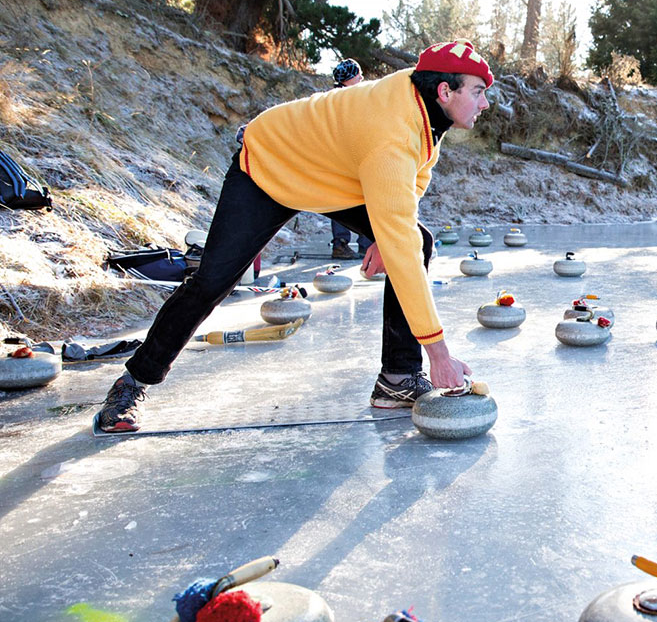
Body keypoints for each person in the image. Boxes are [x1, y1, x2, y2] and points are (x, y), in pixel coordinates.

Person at [94, 40, 493, 433]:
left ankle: (398, 378)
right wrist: (438, 354)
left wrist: (381, 234)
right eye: (478, 92)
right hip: (270, 165)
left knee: (415, 241)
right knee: (212, 282)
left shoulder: (424, 102)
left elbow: (413, 181)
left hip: (323, 174)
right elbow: (402, 243)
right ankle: (132, 382)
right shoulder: (393, 132)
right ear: (445, 91)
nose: (485, 104)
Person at [327, 58, 374, 260]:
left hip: (350, 156)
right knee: (351, 200)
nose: (362, 77)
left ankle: (355, 243)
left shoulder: (336, 99)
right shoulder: (346, 100)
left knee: (353, 199)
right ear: (348, 78)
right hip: (346, 157)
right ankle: (350, 243)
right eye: (358, 74)